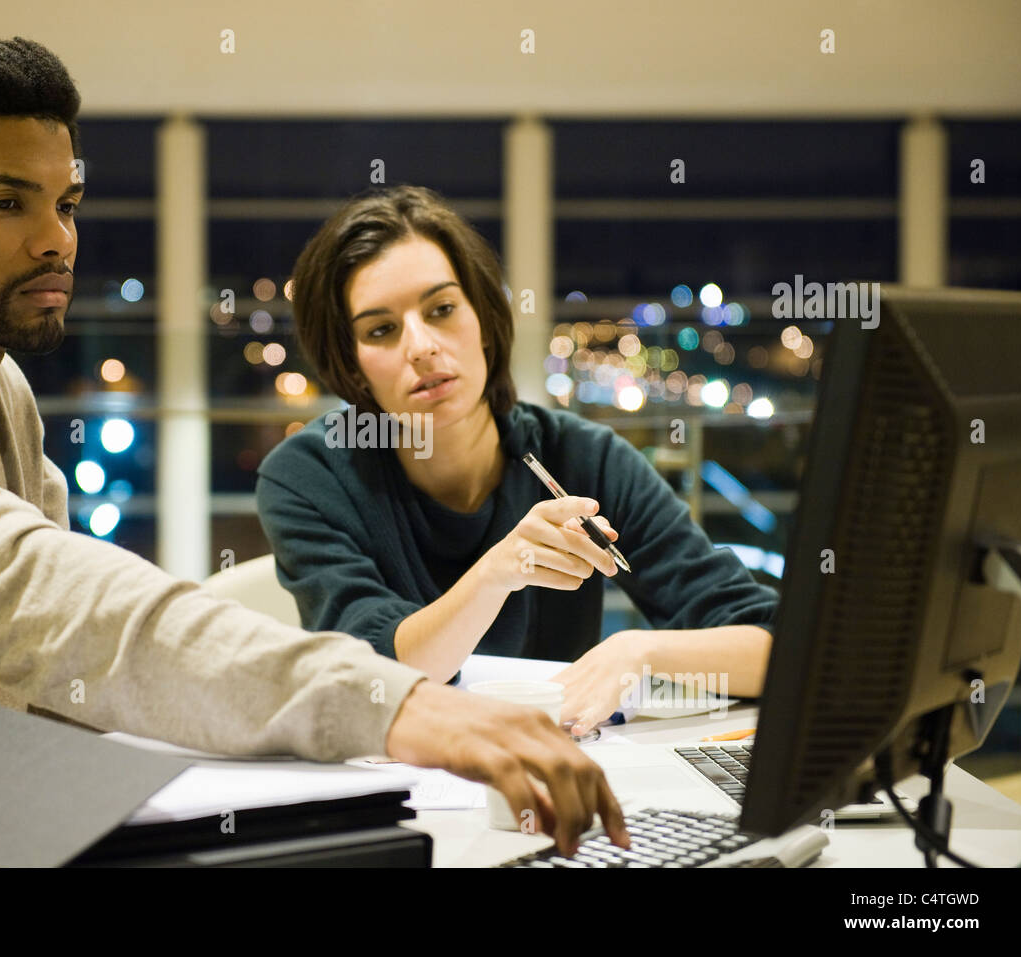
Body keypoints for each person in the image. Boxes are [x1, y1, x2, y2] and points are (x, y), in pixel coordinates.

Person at [0, 32, 627, 866]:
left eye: (66, 204)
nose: (56, 239)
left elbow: (59, 690)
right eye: (7, 202)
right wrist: (401, 706)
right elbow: (45, 602)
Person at [257, 185, 779, 737]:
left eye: (442, 309)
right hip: (396, 785)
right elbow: (375, 677)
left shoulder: (583, 458)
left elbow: (773, 644)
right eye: (380, 330)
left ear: (483, 319)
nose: (421, 346)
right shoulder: (307, 478)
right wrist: (495, 575)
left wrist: (640, 651)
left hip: (559, 778)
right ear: (352, 365)